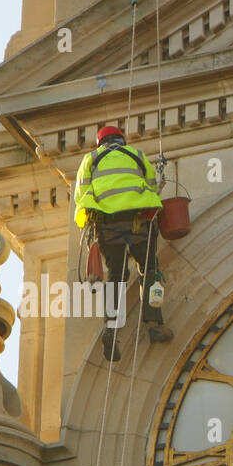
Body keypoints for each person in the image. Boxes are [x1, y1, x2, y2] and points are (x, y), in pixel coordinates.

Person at [73, 126, 173, 361]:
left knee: (116, 275)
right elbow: (151, 184)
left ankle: (111, 328)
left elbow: (81, 193)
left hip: (108, 225)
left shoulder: (91, 159)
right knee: (149, 269)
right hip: (138, 221)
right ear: (121, 140)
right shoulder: (135, 154)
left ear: (101, 143)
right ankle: (155, 325)